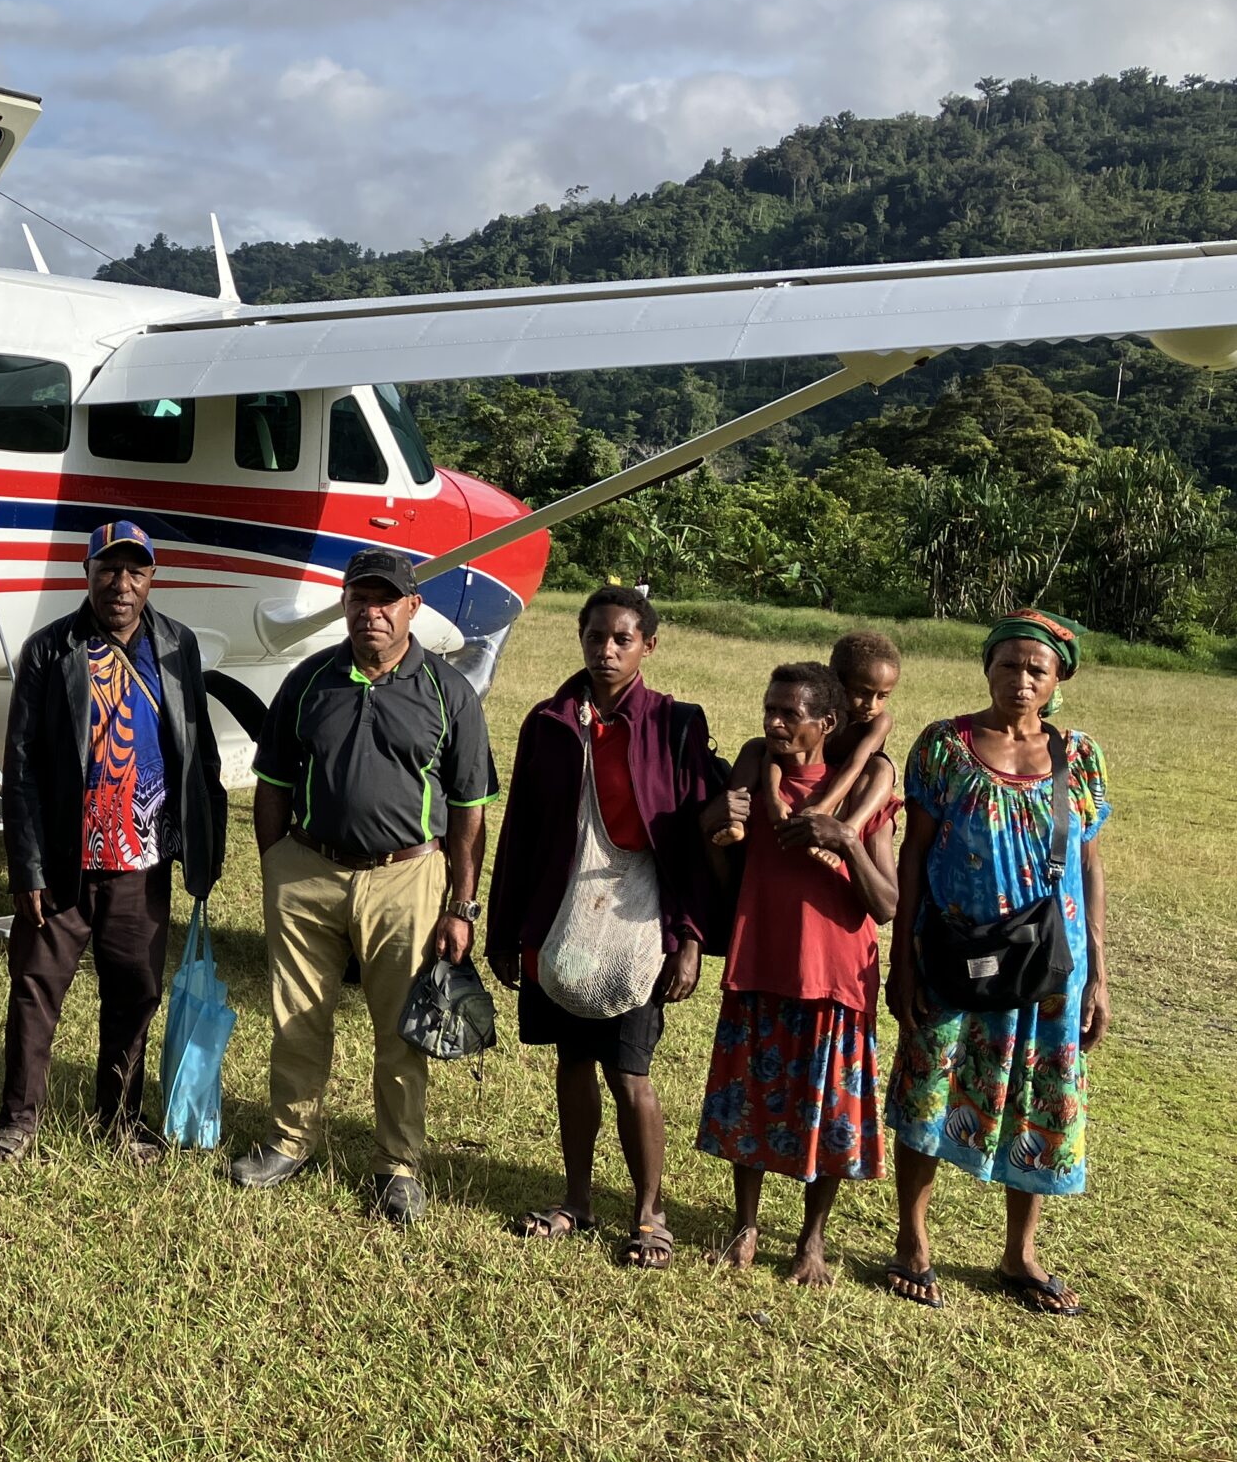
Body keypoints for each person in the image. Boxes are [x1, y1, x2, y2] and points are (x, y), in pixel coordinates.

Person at [226, 546, 489, 1224]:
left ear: (412, 608)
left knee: (401, 1029)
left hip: (407, 875)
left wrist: (461, 905)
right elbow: (274, 782)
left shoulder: (447, 691)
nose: (371, 612)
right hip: (308, 869)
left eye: (385, 600)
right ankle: (290, 1140)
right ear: (344, 604)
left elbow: (468, 811)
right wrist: (278, 863)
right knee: (296, 1017)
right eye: (359, 598)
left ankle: (397, 1166)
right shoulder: (311, 680)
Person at [476, 585, 722, 1264]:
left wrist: (691, 941)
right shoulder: (549, 724)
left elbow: (697, 845)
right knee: (572, 1061)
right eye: (595, 637)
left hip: (641, 927)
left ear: (648, 645)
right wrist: (507, 932)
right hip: (562, 923)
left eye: (622, 639)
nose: (606, 650)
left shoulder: (677, 725)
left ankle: (650, 1213)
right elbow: (521, 831)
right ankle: (577, 1199)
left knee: (630, 1072)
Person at [883, 611, 1111, 1316]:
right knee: (930, 1089)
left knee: (1038, 1099)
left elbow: (1091, 864)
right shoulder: (945, 747)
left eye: (1035, 670)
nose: (1020, 680)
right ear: (987, 666)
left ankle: (1019, 1253)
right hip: (955, 955)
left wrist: (1098, 968)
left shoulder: (1080, 757)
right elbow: (913, 853)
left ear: (1057, 680)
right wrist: (904, 956)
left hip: (1050, 968)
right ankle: (913, 1243)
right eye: (1008, 664)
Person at [0, 522, 224, 1166]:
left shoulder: (177, 646)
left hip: (141, 862)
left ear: (152, 578)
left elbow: (197, 750)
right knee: (36, 990)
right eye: (108, 570)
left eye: (135, 572)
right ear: (86, 571)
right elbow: (23, 769)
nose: (121, 585)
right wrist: (29, 868)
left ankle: (119, 1120)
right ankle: (18, 1121)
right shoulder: (49, 649)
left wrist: (206, 844)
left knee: (135, 992)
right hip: (65, 860)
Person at [694, 662, 898, 1285]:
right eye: (770, 709)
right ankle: (744, 1227)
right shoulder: (755, 773)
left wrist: (846, 842)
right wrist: (711, 833)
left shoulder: (865, 789)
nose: (776, 721)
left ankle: (812, 1240)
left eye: (791, 713)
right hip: (762, 960)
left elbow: (886, 904)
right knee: (749, 1102)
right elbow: (726, 876)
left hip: (835, 975)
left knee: (826, 1113)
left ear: (825, 722)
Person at [715, 630, 900, 870]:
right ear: (839, 682)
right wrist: (773, 800)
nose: (872, 705)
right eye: (862, 692)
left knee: (883, 767)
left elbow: (855, 765)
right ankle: (736, 821)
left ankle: (848, 831)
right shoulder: (819, 708)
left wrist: (823, 808)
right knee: (755, 746)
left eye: (883, 696)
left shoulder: (878, 722)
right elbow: (774, 752)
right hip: (807, 767)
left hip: (852, 782)